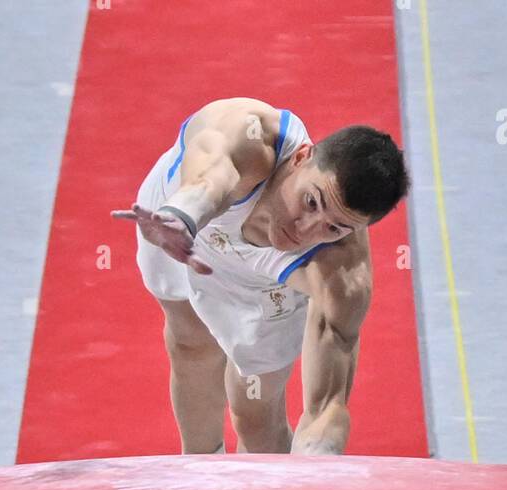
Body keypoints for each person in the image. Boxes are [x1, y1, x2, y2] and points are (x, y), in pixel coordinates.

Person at [113, 98, 409, 456]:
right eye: (311, 202)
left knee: (254, 411)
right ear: (301, 158)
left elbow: (326, 408)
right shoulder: (251, 137)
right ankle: (200, 470)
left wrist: (316, 462)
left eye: (334, 227)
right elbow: (211, 177)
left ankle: (266, 487)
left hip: (270, 274)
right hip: (180, 228)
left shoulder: (339, 275)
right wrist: (183, 214)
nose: (305, 230)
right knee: (190, 344)